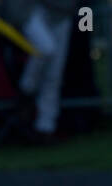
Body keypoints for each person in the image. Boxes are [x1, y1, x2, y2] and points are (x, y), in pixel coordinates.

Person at [19, 0, 77, 141]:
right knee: (46, 48)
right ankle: (26, 90)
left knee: (54, 76)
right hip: (35, 11)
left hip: (63, 15)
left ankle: (45, 127)